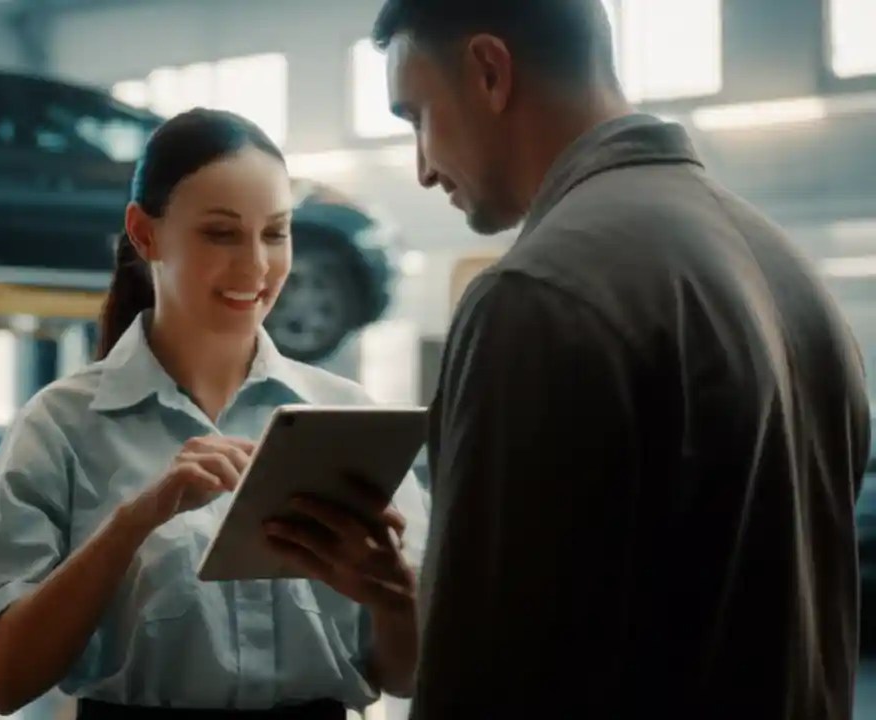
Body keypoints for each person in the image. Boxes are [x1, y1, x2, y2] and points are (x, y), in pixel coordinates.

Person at [370, 0, 871, 718]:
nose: (421, 167)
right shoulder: (789, 273)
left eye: (416, 116)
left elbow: (485, 679)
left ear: (488, 71)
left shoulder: (538, 295)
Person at [0, 107, 429, 719]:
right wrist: (134, 522)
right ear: (145, 234)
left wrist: (393, 599)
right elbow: (3, 681)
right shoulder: (62, 426)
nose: (256, 266)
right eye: (221, 233)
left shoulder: (348, 418)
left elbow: (407, 676)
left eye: (275, 233)